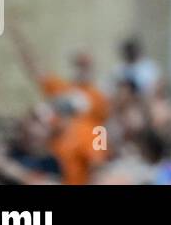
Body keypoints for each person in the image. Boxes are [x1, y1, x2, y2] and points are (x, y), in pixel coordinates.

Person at [9, 25, 109, 185]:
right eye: (80, 63)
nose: (83, 67)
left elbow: (99, 163)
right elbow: (36, 70)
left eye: (86, 63)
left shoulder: (98, 101)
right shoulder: (62, 90)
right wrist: (18, 37)